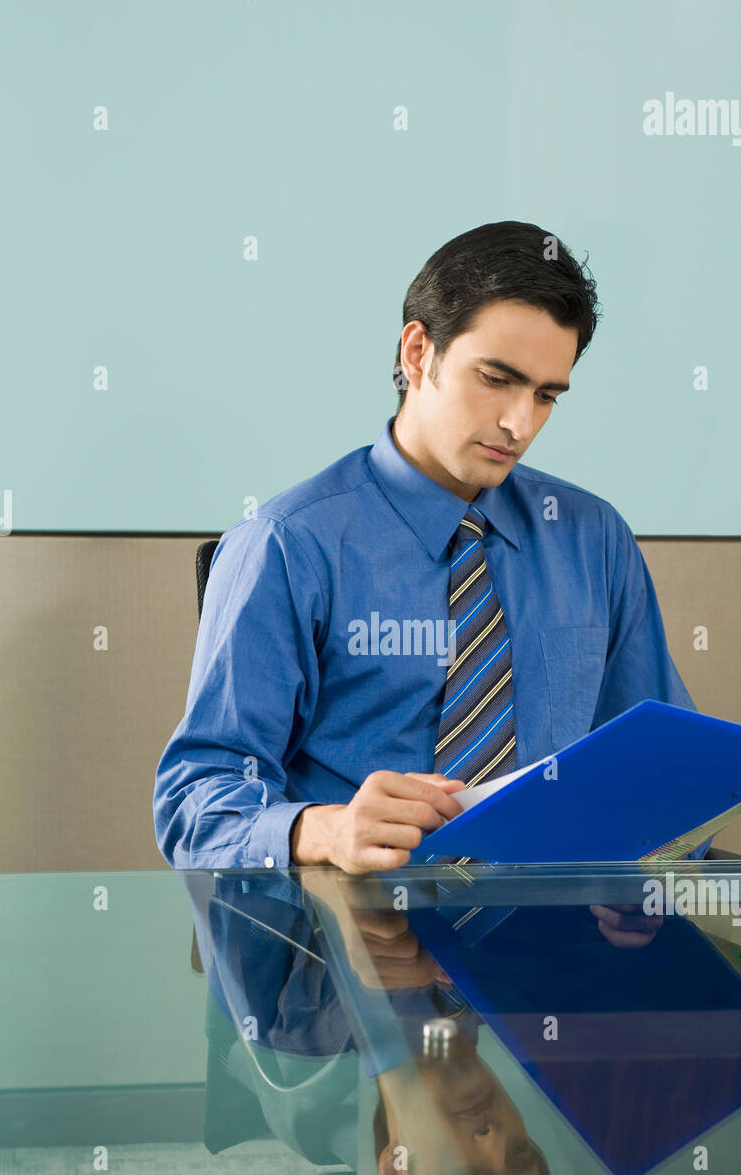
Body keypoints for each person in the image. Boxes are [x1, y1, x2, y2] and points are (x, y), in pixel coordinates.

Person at [153, 219, 711, 901]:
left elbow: (660, 769)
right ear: (418, 352)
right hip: (350, 957)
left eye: (544, 395)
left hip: (548, 961)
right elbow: (193, 803)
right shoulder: (287, 544)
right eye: (496, 380)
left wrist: (652, 861)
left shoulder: (592, 539)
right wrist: (326, 831)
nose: (520, 424)